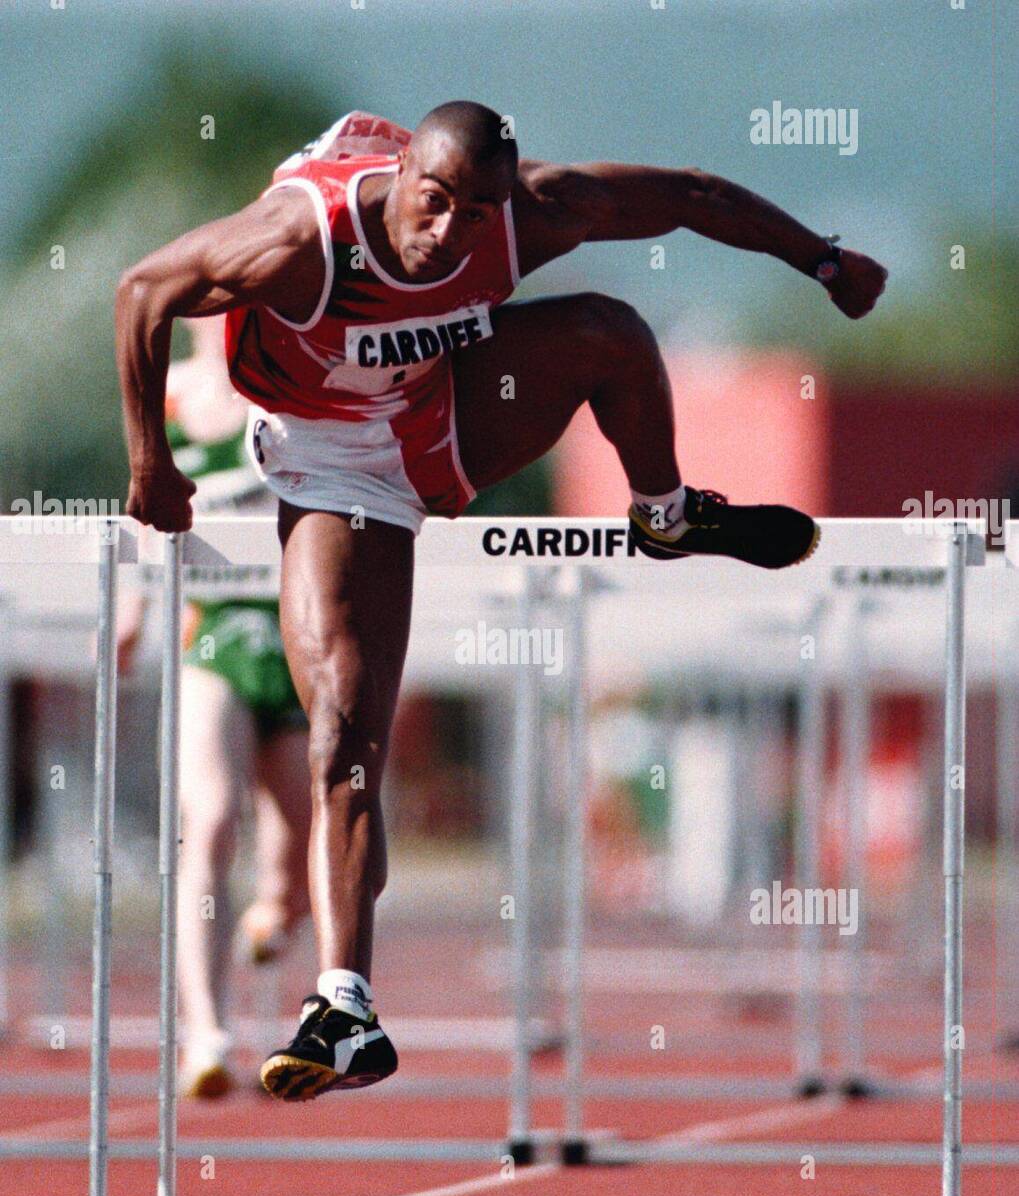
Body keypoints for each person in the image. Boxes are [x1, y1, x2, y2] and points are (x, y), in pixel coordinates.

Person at [115, 103, 888, 1101]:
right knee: (347, 731)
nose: (447, 234)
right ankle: (343, 1003)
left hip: (440, 409)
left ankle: (662, 511)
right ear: (402, 182)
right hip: (326, 460)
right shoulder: (303, 242)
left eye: (472, 216)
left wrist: (820, 261)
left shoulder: (525, 214)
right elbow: (142, 290)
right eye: (432, 206)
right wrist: (150, 462)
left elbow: (689, 197)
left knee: (608, 329)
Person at [117, 316, 311, 1098]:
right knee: (214, 819)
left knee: (305, 838)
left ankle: (277, 911)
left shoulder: (285, 400)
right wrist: (131, 604)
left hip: (294, 636)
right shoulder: (160, 406)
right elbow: (139, 504)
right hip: (212, 640)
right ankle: (206, 1028)